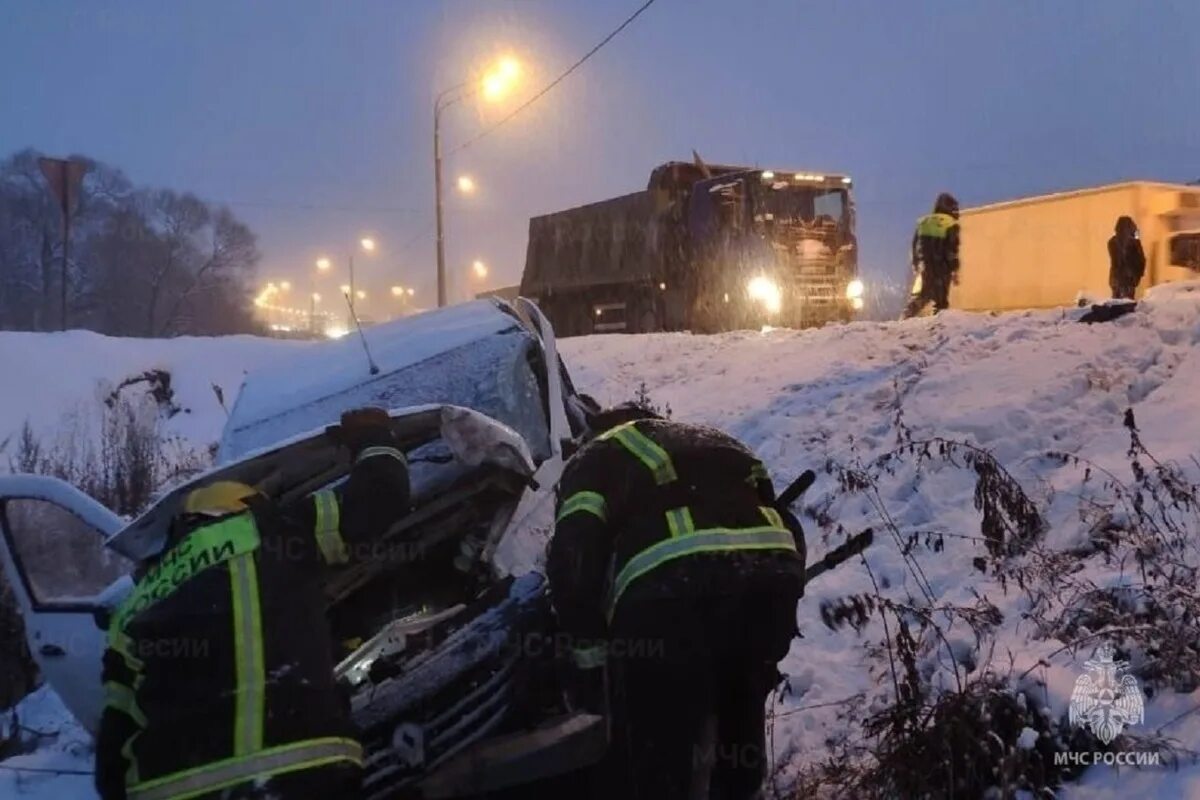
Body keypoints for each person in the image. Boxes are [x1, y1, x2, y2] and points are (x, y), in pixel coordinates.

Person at [96, 407, 411, 800]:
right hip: (297, 772)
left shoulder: (132, 607)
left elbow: (111, 751)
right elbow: (381, 498)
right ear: (247, 506)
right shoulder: (270, 532)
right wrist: (373, 435)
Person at [546, 405, 806, 800]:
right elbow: (783, 520)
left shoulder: (595, 457)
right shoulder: (717, 440)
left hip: (668, 596)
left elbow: (573, 553)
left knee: (659, 742)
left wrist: (589, 659)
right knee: (741, 707)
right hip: (770, 581)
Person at [904, 192, 961, 318]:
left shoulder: (924, 222)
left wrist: (916, 263)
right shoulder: (950, 223)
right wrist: (955, 269)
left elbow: (914, 245)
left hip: (927, 266)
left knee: (925, 294)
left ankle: (908, 314)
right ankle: (938, 328)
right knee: (941, 301)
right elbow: (952, 249)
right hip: (943, 267)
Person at [1108, 215, 1146, 300]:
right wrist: (1137, 236)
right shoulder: (1134, 242)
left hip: (1115, 278)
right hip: (1128, 279)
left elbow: (1115, 261)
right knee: (1127, 304)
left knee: (1116, 303)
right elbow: (1141, 259)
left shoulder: (1111, 242)